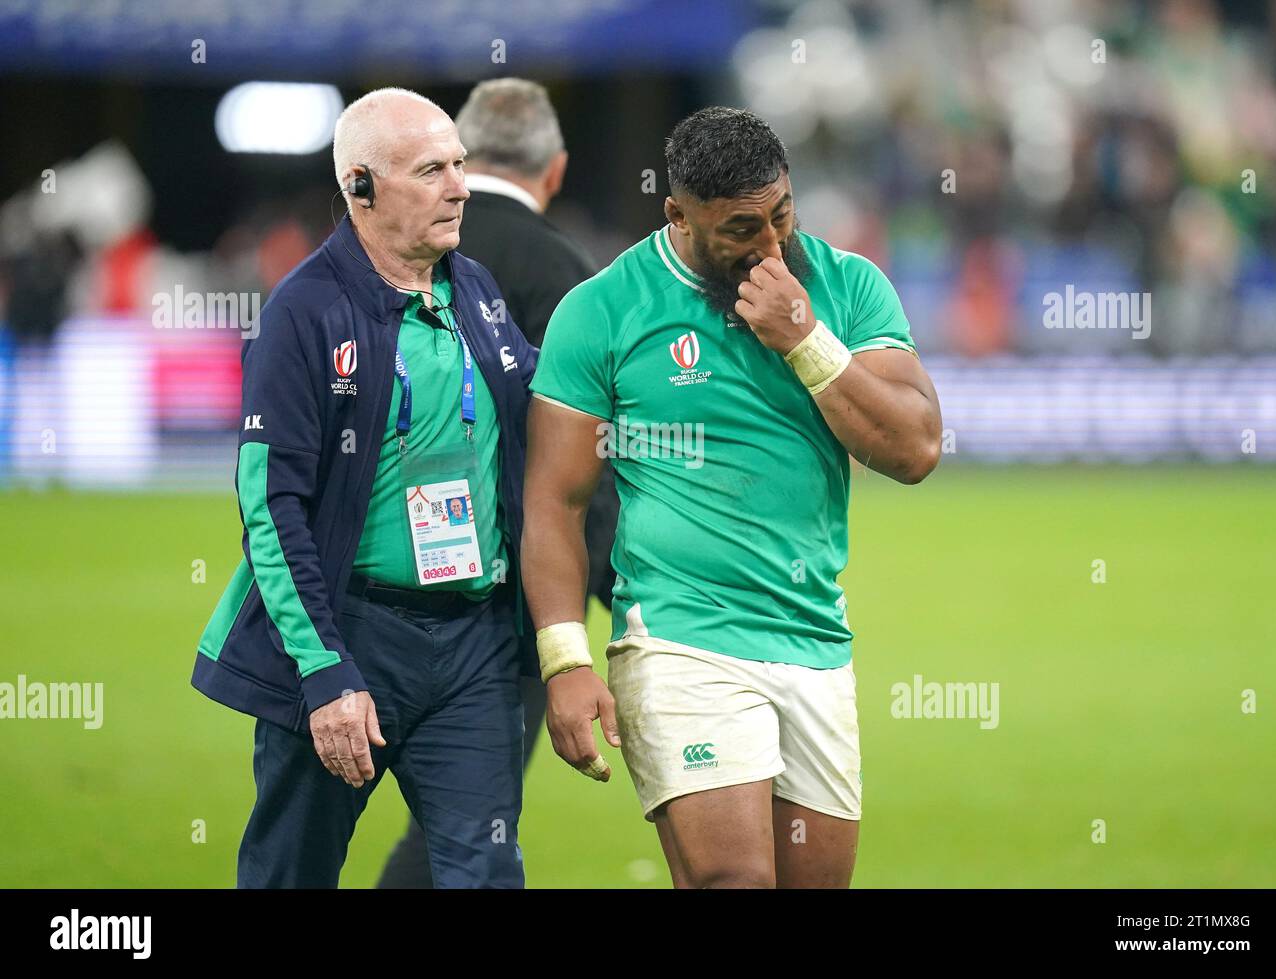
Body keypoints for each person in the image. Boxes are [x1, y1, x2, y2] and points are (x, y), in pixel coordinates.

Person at [521, 107, 942, 888]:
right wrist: (564, 660)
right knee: (736, 880)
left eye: (783, 215)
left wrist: (805, 338)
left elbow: (915, 448)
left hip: (813, 637)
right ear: (677, 215)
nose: (773, 246)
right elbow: (555, 499)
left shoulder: (845, 287)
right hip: (683, 638)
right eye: (744, 228)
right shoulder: (603, 309)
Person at [191, 87, 538, 888]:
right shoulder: (303, 312)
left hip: (473, 642)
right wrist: (323, 669)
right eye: (431, 171)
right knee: (290, 873)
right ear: (361, 187)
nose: (460, 186)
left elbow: (543, 413)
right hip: (349, 630)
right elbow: (269, 508)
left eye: (460, 165)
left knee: (485, 874)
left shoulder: (476, 291)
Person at [375, 77, 615, 889]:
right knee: (468, 831)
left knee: (307, 826)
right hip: (509, 605)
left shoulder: (392, 242)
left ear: (464, 160)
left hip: (365, 592)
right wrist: (626, 594)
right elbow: (588, 460)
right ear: (555, 170)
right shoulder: (573, 278)